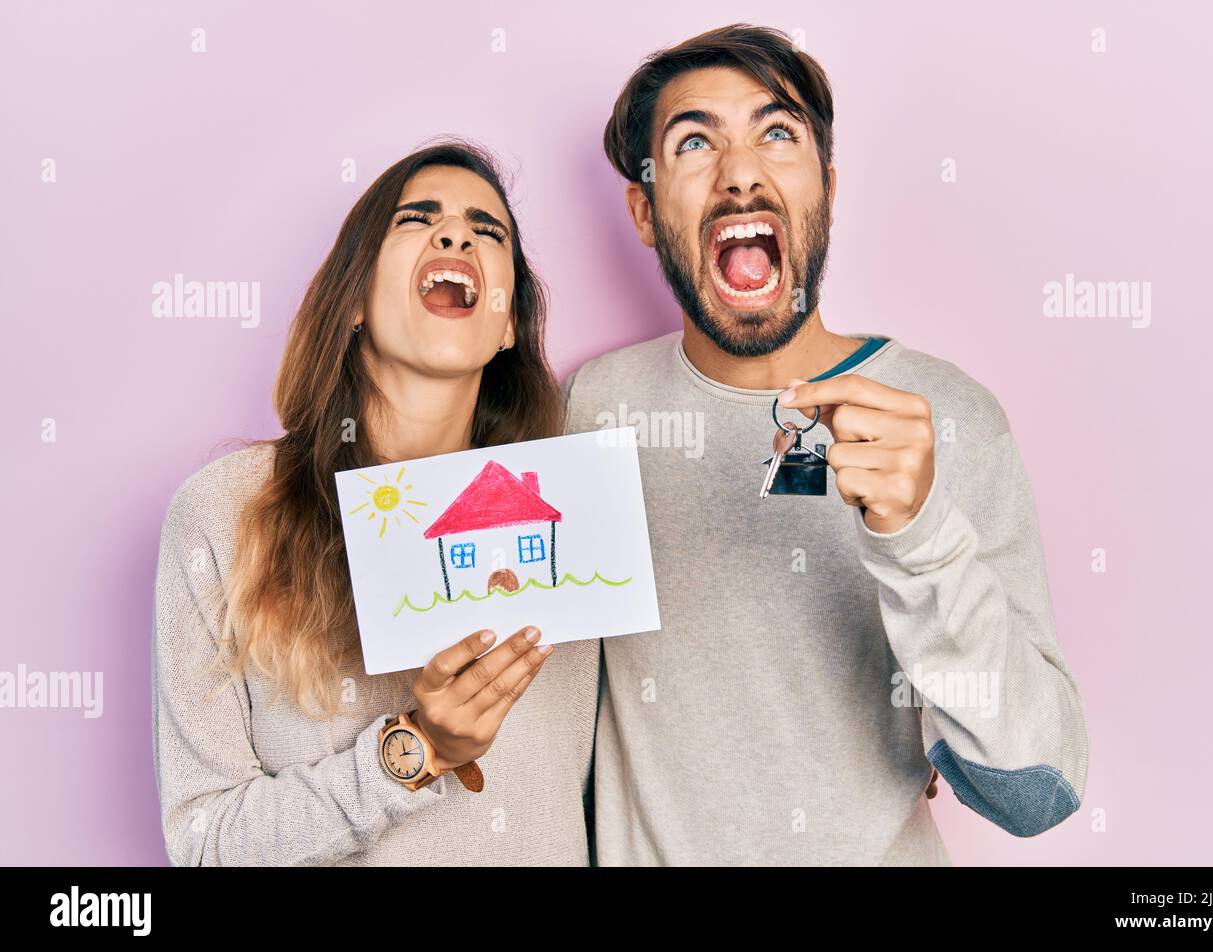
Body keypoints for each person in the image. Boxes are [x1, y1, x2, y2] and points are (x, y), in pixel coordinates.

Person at [563, 24, 1089, 865]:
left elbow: (1033, 794)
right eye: (695, 141)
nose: (740, 171)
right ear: (644, 211)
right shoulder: (595, 406)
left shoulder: (947, 417)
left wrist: (920, 537)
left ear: (828, 190)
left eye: (777, 132)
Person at [152, 141, 599, 865]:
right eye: (417, 220)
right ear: (354, 299)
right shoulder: (225, 514)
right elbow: (204, 847)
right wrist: (416, 749)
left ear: (508, 320)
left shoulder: (574, 518)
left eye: (488, 231)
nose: (456, 235)